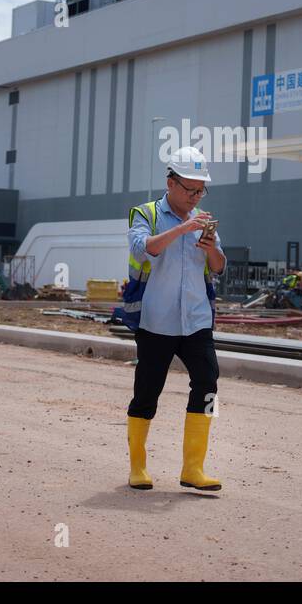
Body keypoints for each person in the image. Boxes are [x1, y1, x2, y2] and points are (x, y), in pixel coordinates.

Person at [125, 146, 226, 491]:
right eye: (189, 189)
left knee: (209, 382)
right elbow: (144, 248)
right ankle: (137, 467)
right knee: (147, 393)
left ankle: (193, 469)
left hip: (195, 320)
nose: (195, 196)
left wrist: (210, 245)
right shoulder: (146, 214)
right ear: (170, 183)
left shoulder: (203, 219)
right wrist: (183, 230)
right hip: (156, 321)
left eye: (200, 190)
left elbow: (218, 267)